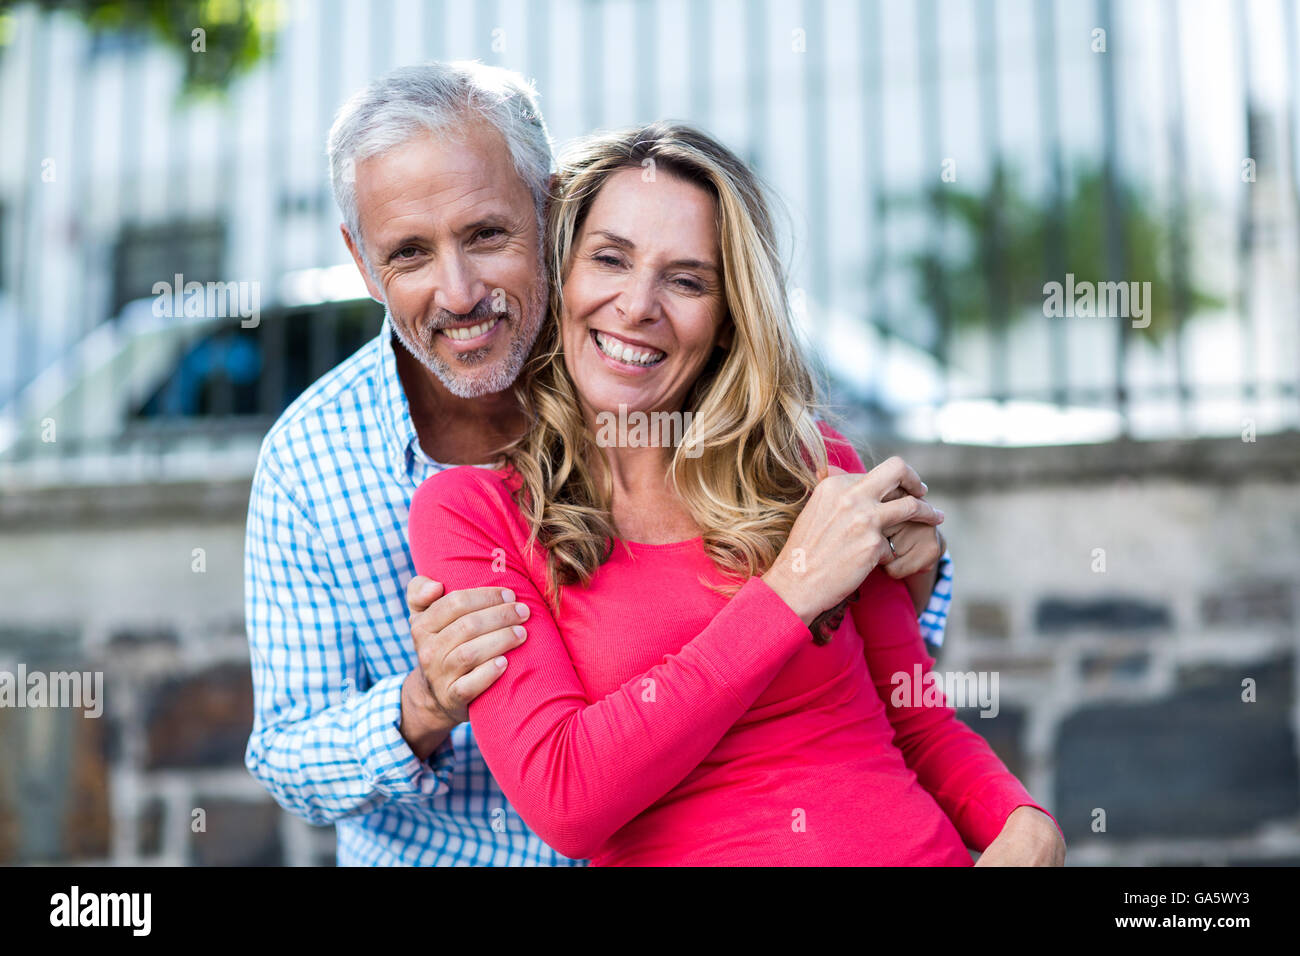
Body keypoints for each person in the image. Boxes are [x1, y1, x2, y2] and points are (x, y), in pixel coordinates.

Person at [244, 61, 957, 866]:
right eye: (408, 253)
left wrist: (907, 583)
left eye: (487, 235)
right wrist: (424, 702)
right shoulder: (312, 463)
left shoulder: (634, 351)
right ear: (361, 260)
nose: (459, 291)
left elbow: (872, 680)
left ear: (549, 207)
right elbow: (288, 756)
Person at [409, 121, 1066, 865]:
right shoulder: (476, 515)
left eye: (686, 279)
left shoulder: (809, 466)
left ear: (725, 321)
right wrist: (788, 594)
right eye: (610, 259)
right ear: (562, 274)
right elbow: (568, 800)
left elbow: (914, 721)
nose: (637, 305)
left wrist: (1023, 821)